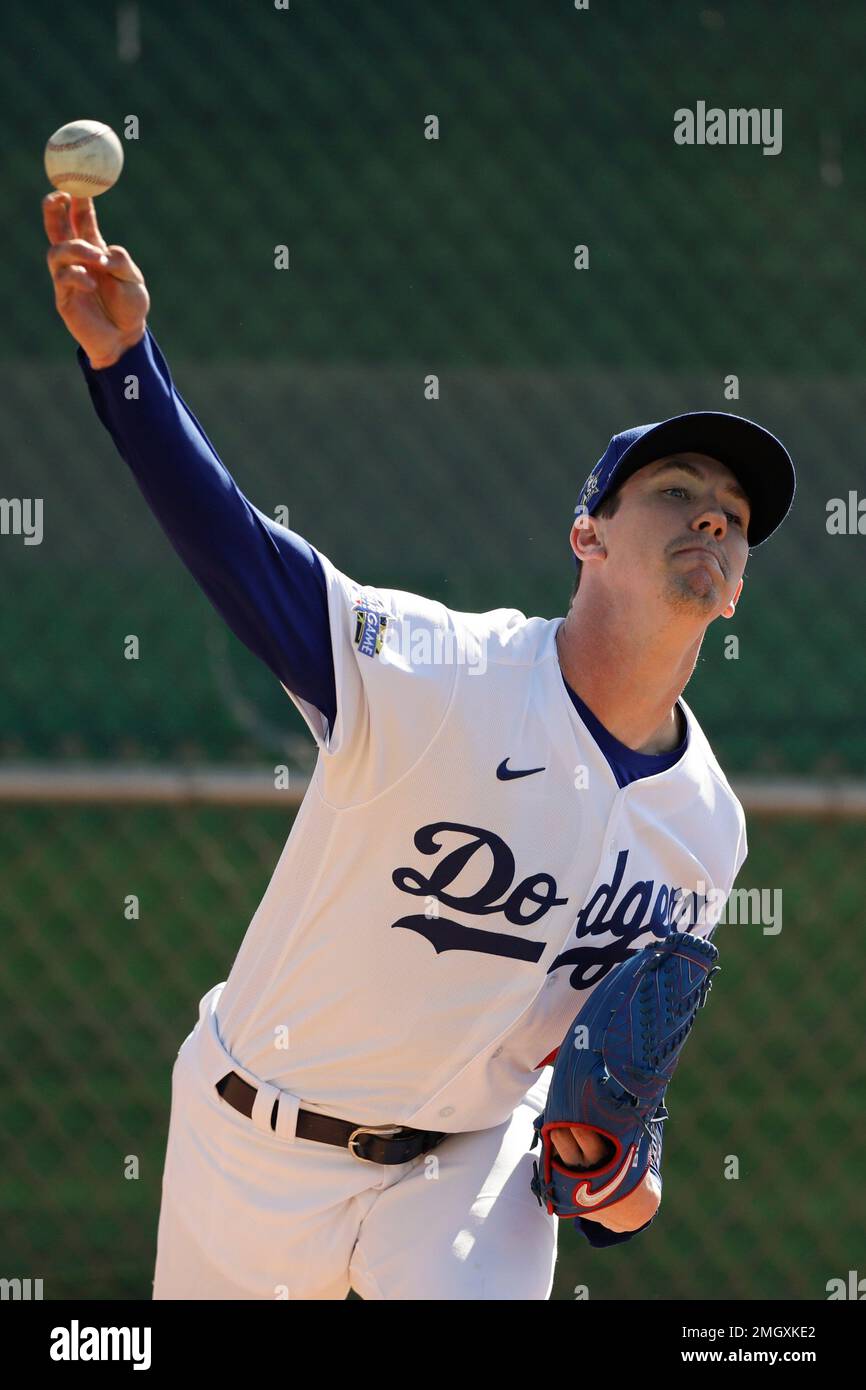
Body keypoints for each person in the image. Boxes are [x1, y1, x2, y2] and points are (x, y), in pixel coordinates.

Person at [42, 192, 795, 1300]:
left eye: (733, 515)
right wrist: (126, 367)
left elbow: (616, 1060)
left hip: (464, 1163)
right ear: (585, 537)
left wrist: (623, 1173)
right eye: (675, 493)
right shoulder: (440, 675)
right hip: (252, 1137)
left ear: (732, 588)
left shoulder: (706, 827)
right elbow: (237, 549)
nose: (713, 520)